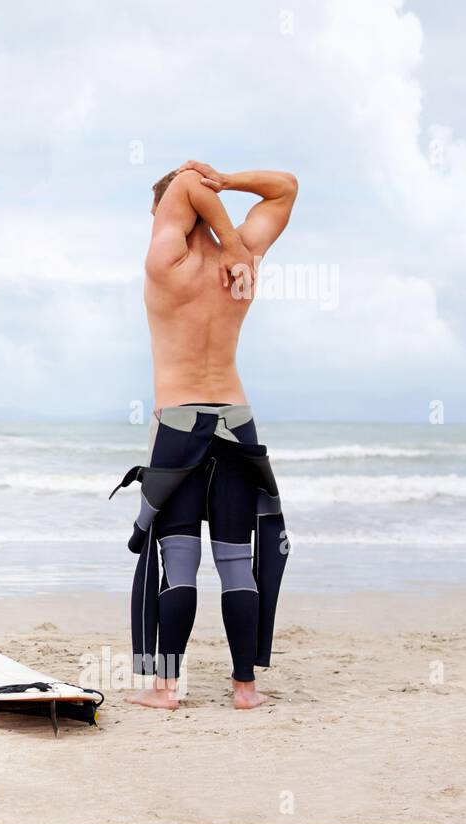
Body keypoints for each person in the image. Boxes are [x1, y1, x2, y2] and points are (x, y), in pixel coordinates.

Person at [115, 161, 297, 710]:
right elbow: (286, 187)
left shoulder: (166, 260)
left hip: (179, 423)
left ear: (166, 208)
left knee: (179, 559)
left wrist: (199, 186)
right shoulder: (237, 257)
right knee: (237, 560)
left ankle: (165, 689)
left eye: (158, 210)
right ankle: (245, 690)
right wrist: (231, 199)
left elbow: (188, 188)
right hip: (236, 421)